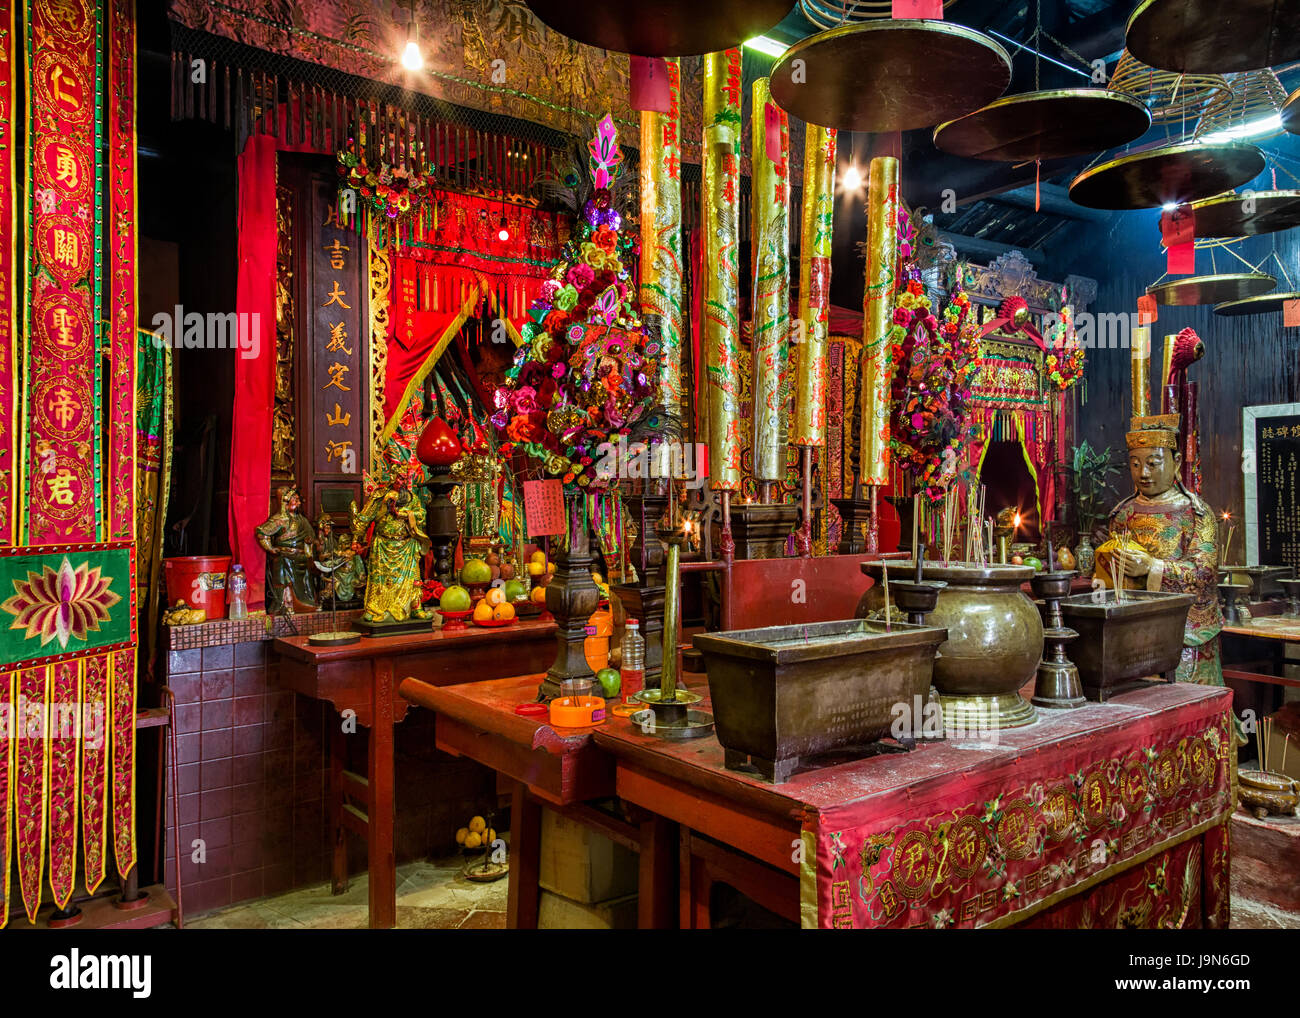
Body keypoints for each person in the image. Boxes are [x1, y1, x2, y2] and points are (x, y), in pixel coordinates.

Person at [1105, 414, 1244, 742]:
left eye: (1153, 463)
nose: (1144, 473)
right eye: (1136, 464)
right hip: (1132, 638)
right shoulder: (1123, 514)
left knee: (1193, 728)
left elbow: (1204, 573)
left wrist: (1152, 567)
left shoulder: (1197, 514)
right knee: (1139, 731)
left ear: (1176, 461)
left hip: (1187, 636)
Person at [351, 474, 431, 624]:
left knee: (413, 578)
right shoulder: (380, 496)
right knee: (379, 579)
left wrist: (402, 514)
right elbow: (365, 517)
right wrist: (356, 539)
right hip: (383, 544)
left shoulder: (411, 498)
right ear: (392, 478)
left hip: (406, 545)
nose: (401, 482)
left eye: (404, 479)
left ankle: (416, 607)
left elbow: (422, 515)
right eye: (399, 479)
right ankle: (373, 608)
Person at [254, 486, 318, 611]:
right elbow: (262, 533)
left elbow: (311, 537)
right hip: (285, 556)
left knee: (308, 575)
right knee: (284, 571)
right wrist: (270, 548)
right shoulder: (279, 519)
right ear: (285, 501)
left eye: (299, 500)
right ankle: (286, 603)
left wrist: (309, 542)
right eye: (295, 500)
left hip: (301, 557)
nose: (298, 503)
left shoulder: (302, 520)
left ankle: (307, 601)